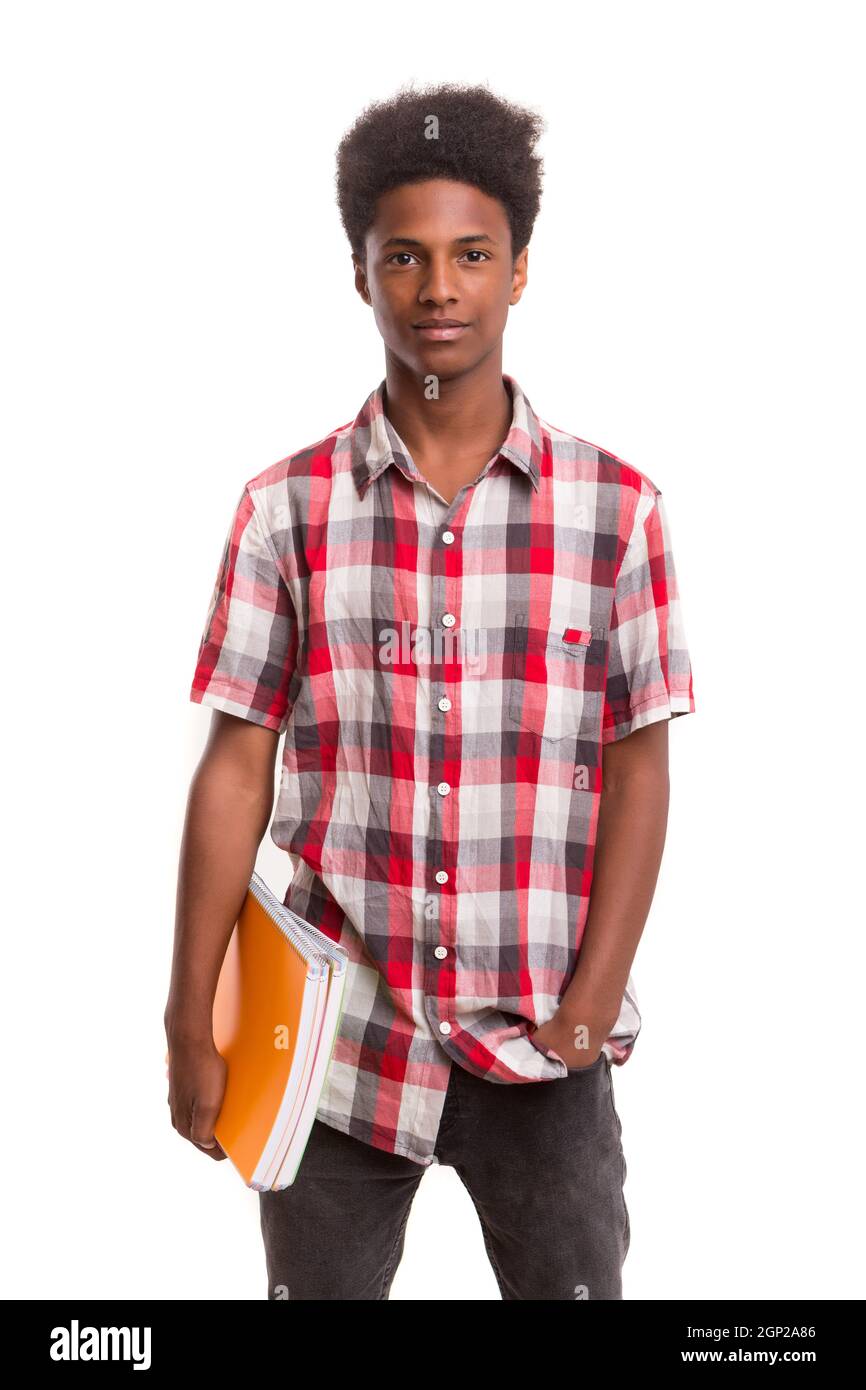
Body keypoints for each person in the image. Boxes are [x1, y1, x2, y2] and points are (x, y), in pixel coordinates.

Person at [165, 81, 696, 1300]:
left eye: (471, 255)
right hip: (339, 1048)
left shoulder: (618, 512)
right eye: (402, 257)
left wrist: (587, 1009)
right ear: (361, 274)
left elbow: (638, 763)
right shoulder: (285, 508)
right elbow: (235, 762)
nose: (437, 288)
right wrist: (188, 1015)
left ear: (518, 271)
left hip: (541, 1048)